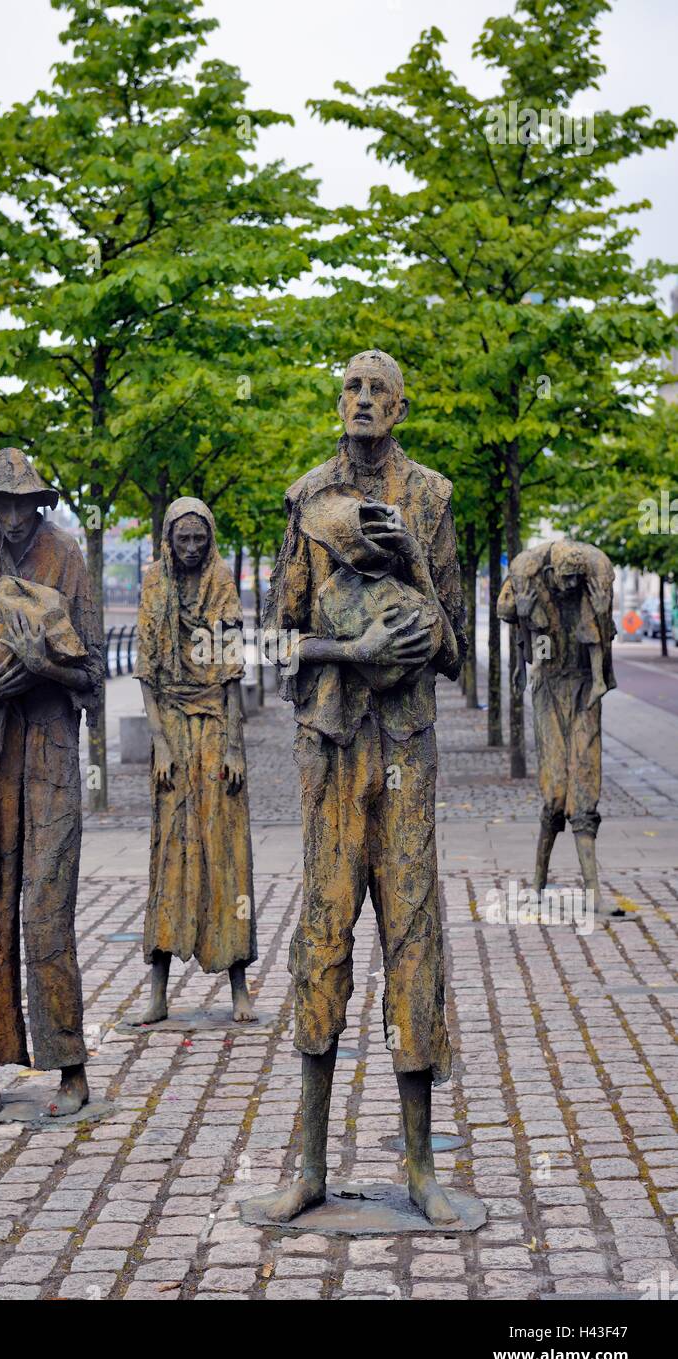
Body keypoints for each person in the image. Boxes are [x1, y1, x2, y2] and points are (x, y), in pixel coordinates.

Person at [262, 349, 466, 1224]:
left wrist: (413, 572)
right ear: (337, 400)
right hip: (332, 747)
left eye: (379, 390)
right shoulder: (306, 499)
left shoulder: (433, 498)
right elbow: (278, 644)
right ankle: (307, 1161)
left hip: (408, 749)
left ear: (401, 408)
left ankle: (420, 1166)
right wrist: (354, 653)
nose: (363, 400)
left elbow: (455, 646)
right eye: (351, 387)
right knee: (324, 933)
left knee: (413, 936)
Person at [0, 447, 104, 1115]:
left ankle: (70, 1068)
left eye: (24, 504)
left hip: (49, 742)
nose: (13, 517)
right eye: (2, 504)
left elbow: (93, 674)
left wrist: (45, 664)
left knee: (46, 908)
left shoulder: (66, 554)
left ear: (40, 504)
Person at [135, 497, 257, 1023]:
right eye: (182, 540)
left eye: (199, 540)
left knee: (225, 851)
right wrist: (159, 743)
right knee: (169, 853)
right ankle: (158, 990)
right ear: (168, 538)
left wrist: (233, 746)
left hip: (214, 729)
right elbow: (146, 673)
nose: (190, 549)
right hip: (171, 732)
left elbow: (232, 672)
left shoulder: (221, 582)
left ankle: (238, 986)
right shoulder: (154, 582)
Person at [498, 538, 615, 911]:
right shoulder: (528, 577)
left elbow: (603, 639)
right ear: (550, 574)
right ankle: (538, 880)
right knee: (554, 789)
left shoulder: (590, 586)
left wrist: (602, 612)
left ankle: (592, 888)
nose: (570, 587)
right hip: (548, 690)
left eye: (575, 580)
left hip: (584, 690)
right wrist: (521, 613)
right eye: (565, 580)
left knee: (584, 779)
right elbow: (512, 620)